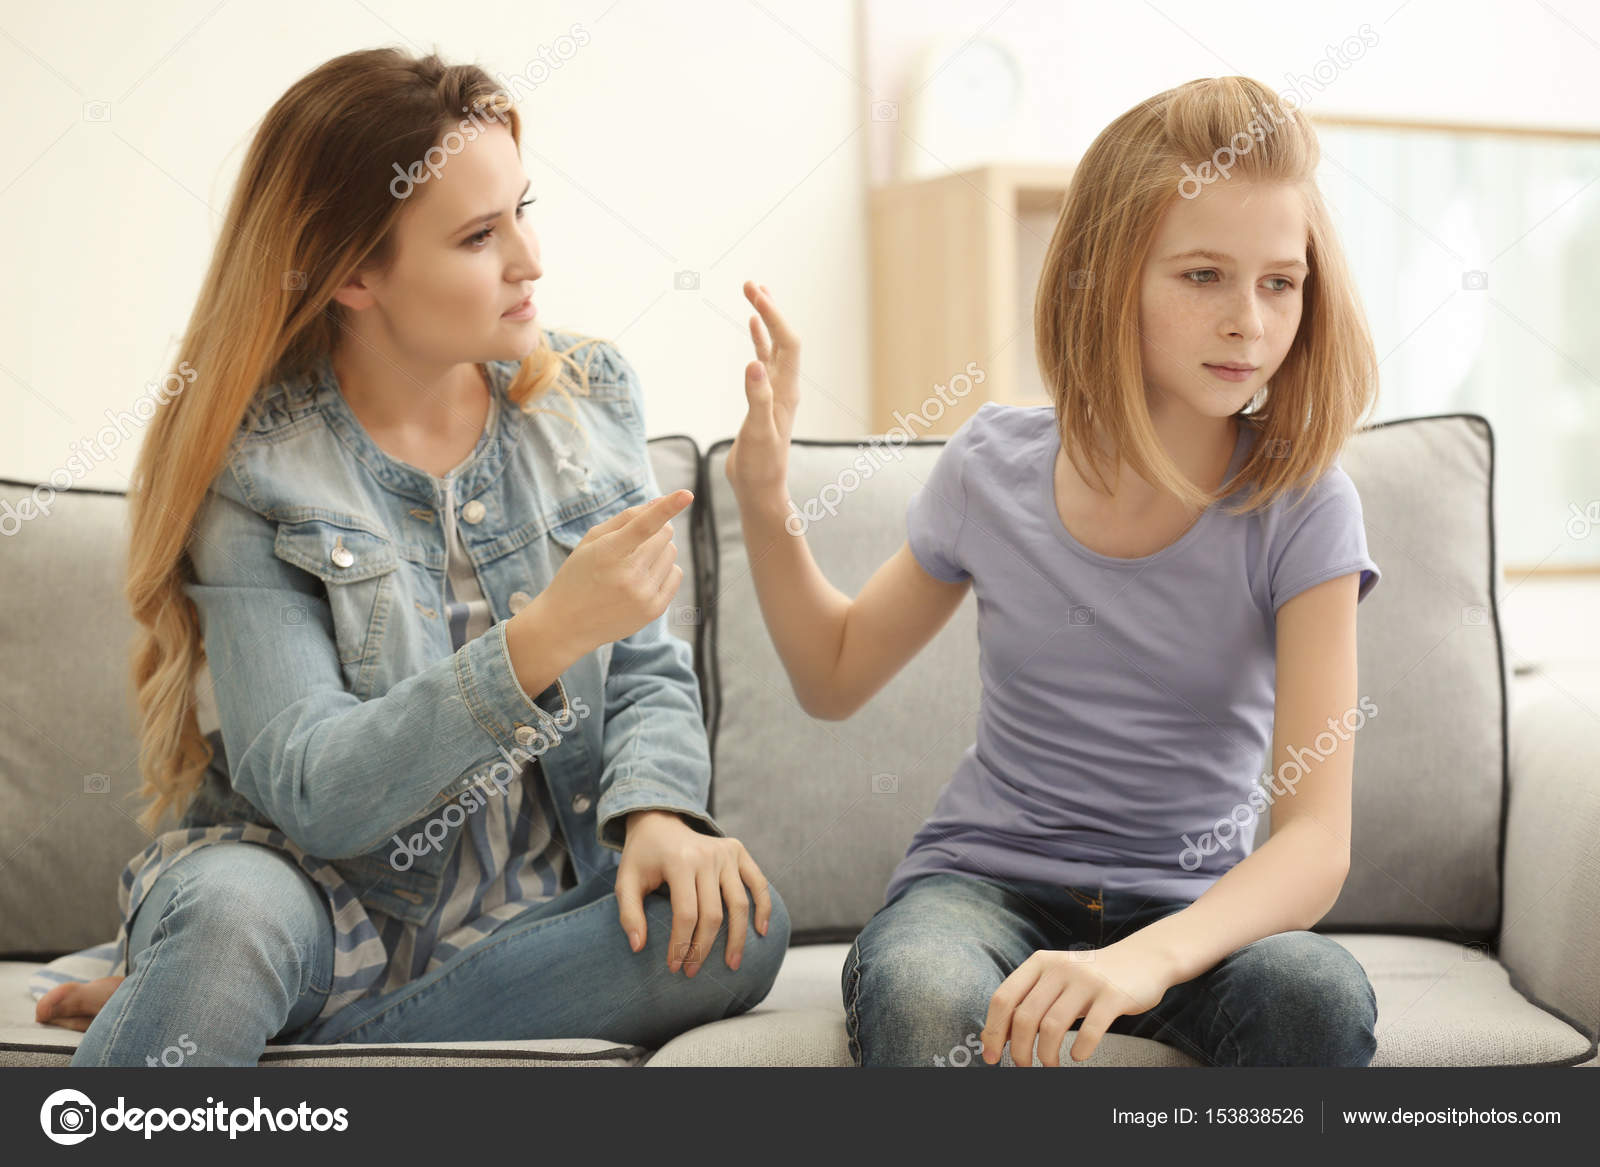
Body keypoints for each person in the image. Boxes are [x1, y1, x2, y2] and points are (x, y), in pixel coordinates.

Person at [32, 46, 789, 1065]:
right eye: (479, 234)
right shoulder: (257, 467)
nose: (528, 259)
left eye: (525, 209)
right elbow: (315, 789)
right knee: (229, 927)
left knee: (740, 923)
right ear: (351, 272)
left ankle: (270, 1043)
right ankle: (221, 990)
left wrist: (658, 814)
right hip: (295, 890)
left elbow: (648, 664)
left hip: (521, 919)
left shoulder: (589, 399)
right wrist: (541, 639)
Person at [724, 76, 1382, 1068]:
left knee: (1311, 996)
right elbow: (833, 674)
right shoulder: (993, 468)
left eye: (1279, 282)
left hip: (1191, 903)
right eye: (1203, 276)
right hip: (981, 888)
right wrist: (766, 502)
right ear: (1104, 276)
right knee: (924, 996)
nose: (1249, 320)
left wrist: (1143, 960)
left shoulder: (1302, 504)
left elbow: (1312, 842)